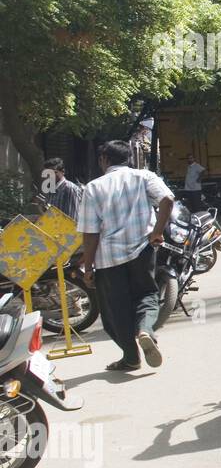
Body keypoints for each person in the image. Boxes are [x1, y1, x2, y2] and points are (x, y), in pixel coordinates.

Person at [77, 141, 173, 372]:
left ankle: (131, 357)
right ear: (128, 157)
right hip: (142, 249)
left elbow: (90, 234)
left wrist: (87, 268)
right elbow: (167, 199)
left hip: (108, 258)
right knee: (147, 295)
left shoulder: (93, 187)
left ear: (104, 159)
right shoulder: (144, 177)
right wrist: (158, 231)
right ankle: (145, 331)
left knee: (115, 309)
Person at [42, 157, 82, 222]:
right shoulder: (51, 189)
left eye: (53, 172)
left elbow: (73, 220)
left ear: (63, 171)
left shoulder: (70, 189)